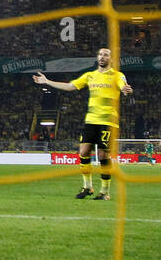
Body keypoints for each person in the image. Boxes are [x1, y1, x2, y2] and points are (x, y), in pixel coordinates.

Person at [33, 47, 132, 200]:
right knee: (84, 152)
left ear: (111, 59)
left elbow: (122, 86)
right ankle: (88, 187)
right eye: (100, 54)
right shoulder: (90, 76)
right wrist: (47, 81)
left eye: (105, 55)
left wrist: (125, 90)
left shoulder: (117, 75)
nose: (102, 57)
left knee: (103, 155)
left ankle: (105, 192)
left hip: (108, 121)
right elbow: (71, 86)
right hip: (91, 120)